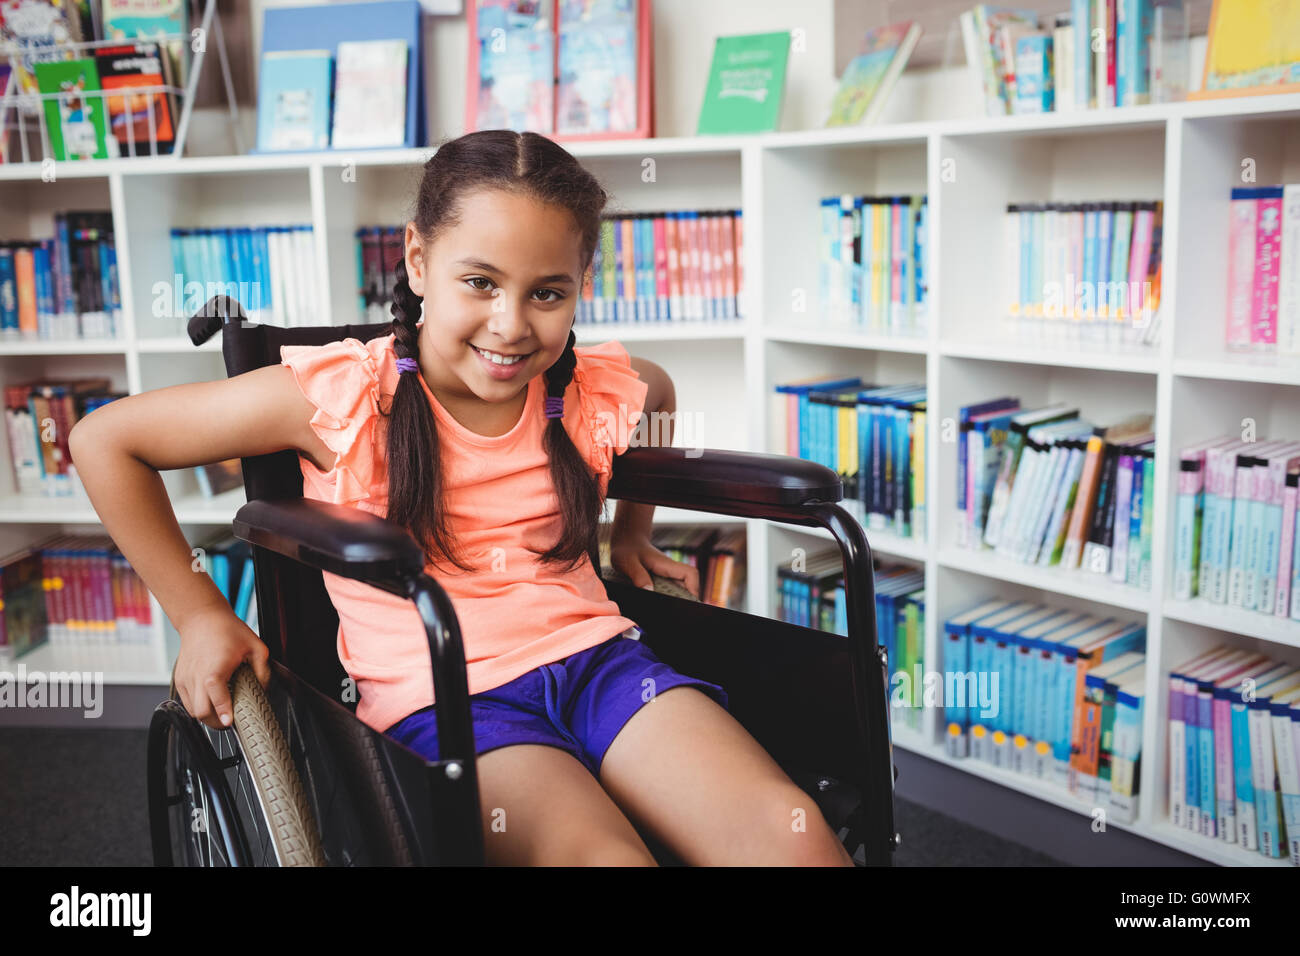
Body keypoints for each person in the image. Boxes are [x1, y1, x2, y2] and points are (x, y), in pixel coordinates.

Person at [69, 129, 852, 867]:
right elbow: (104, 441)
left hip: (602, 664)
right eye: (479, 282)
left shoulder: (581, 389)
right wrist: (201, 613)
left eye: (548, 293)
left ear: (582, 285)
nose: (510, 327)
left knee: (792, 838)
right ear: (417, 258)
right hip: (446, 696)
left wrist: (628, 538)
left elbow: (658, 390)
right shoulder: (345, 395)